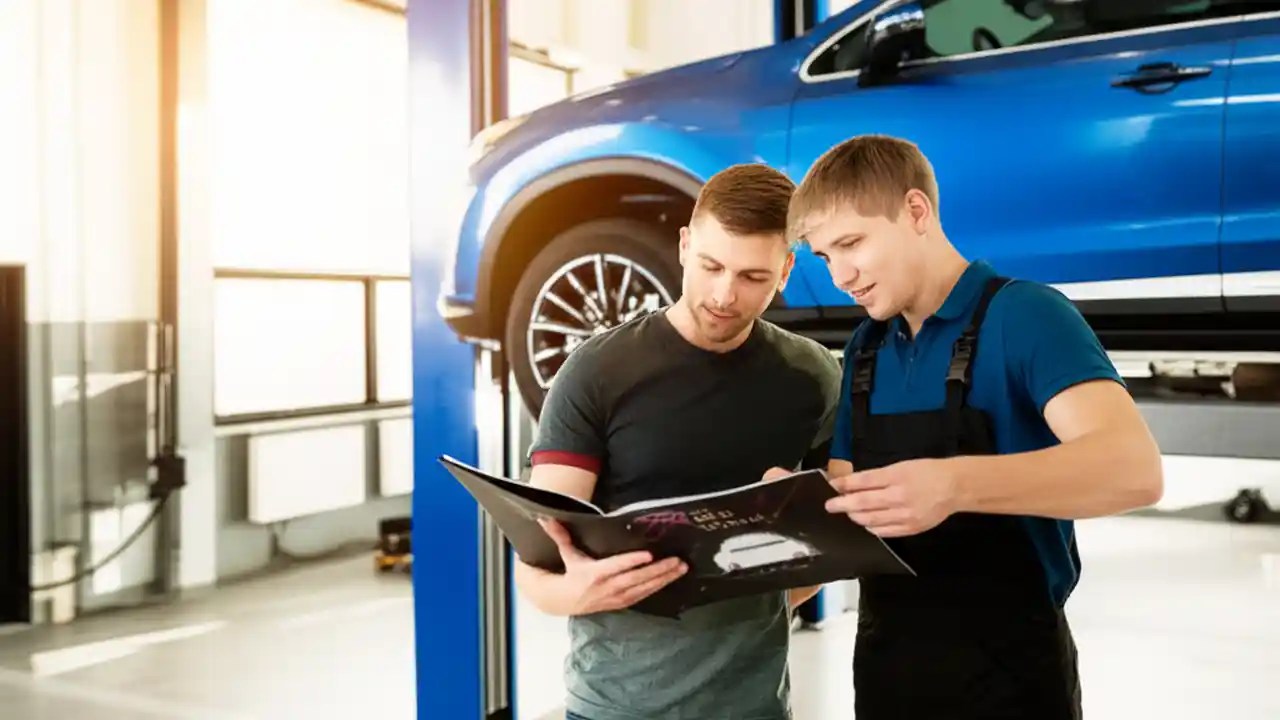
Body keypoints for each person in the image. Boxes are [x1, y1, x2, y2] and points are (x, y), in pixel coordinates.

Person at [787, 134, 1165, 719]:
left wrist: (955, 485)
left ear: (917, 211)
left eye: (851, 243)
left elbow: (1133, 470)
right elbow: (847, 498)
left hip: (1012, 683)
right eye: (824, 256)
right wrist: (789, 507)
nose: (840, 275)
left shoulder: (1026, 316)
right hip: (887, 677)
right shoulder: (866, 346)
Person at [513, 163, 841, 720]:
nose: (724, 294)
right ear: (685, 245)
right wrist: (585, 593)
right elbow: (536, 566)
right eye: (711, 265)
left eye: (752, 277)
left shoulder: (811, 378)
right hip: (613, 709)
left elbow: (833, 542)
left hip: (756, 708)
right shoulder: (597, 371)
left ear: (786, 269)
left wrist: (758, 597)